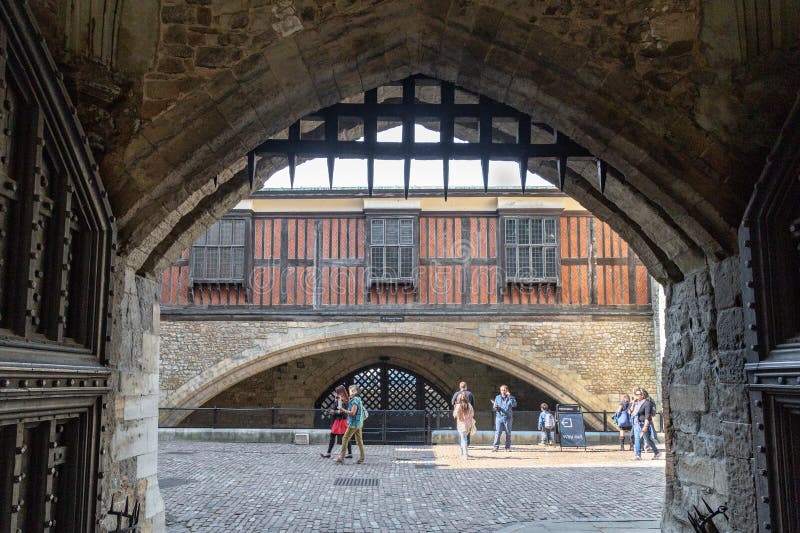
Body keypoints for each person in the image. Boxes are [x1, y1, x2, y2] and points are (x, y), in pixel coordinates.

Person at [336, 384, 366, 465]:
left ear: (354, 392)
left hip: (354, 423)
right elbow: (348, 402)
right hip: (358, 423)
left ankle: (341, 457)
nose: (348, 391)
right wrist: (342, 398)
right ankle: (362, 457)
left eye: (350, 390)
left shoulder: (355, 400)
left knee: (345, 438)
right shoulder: (356, 399)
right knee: (359, 440)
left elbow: (352, 413)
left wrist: (342, 409)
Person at [321, 385, 352, 458]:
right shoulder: (339, 399)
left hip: (342, 420)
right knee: (333, 436)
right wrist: (331, 409)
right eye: (337, 392)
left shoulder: (345, 401)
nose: (337, 394)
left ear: (342, 392)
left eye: (338, 392)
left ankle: (349, 453)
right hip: (337, 421)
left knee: (345, 437)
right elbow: (335, 408)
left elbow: (343, 412)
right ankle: (328, 453)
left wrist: (334, 411)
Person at [631, 387, 660, 460]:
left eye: (637, 394)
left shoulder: (647, 403)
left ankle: (657, 453)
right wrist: (633, 404)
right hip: (636, 424)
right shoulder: (636, 403)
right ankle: (638, 455)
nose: (636, 396)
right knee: (637, 439)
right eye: (635, 394)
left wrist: (645, 426)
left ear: (642, 395)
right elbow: (630, 412)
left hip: (643, 423)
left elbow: (647, 416)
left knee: (647, 440)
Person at [491, 385, 517, 451]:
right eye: (501, 390)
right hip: (499, 417)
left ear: (507, 390)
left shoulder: (511, 397)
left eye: (504, 390)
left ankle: (507, 447)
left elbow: (514, 405)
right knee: (498, 432)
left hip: (508, 418)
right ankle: (496, 447)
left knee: (508, 433)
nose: (503, 391)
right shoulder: (497, 397)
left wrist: (510, 397)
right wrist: (495, 406)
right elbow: (494, 408)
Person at [451, 381, 475, 446]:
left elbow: (452, 402)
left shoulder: (456, 394)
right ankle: (467, 443)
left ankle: (461, 443)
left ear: (460, 387)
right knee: (467, 428)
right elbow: (473, 404)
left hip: (460, 414)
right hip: (468, 414)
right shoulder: (470, 394)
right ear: (466, 387)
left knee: (460, 428)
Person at [452, 392, 474, 460]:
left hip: (461, 424)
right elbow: (472, 414)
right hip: (468, 424)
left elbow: (455, 415)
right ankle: (463, 453)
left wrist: (455, 408)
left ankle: (465, 454)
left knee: (463, 440)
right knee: (464, 439)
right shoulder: (469, 405)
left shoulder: (458, 406)